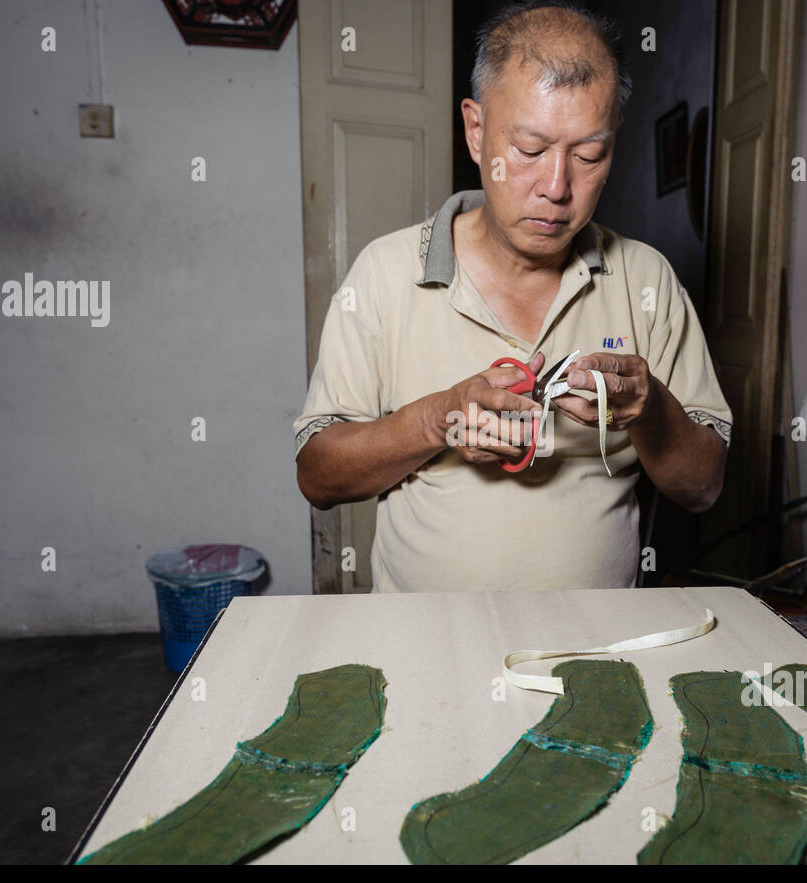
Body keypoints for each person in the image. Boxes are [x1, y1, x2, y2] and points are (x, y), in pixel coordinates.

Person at [295, 1, 732, 592]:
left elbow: (702, 488)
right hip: (426, 643)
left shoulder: (646, 281)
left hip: (597, 647)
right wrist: (435, 418)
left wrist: (647, 410)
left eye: (589, 155)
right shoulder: (384, 273)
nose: (557, 187)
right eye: (529, 150)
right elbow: (318, 477)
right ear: (476, 131)